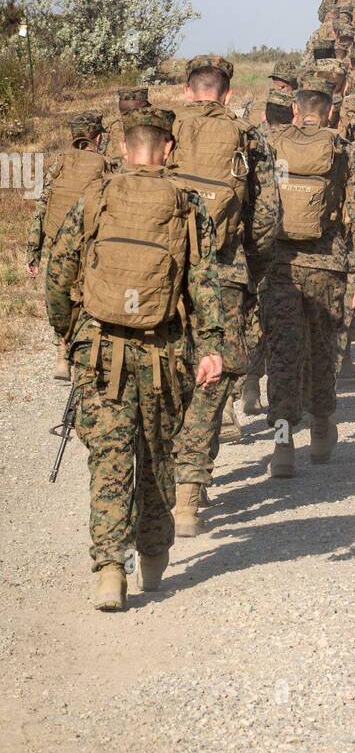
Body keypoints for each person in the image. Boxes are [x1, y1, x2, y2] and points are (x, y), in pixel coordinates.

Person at [44, 107, 224, 610]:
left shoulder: (95, 197)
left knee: (110, 455)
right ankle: (153, 552)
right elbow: (205, 283)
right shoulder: (187, 205)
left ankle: (107, 568)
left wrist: (69, 335)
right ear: (168, 149)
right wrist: (210, 347)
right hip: (162, 353)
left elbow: (59, 275)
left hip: (99, 349)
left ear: (124, 148)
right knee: (155, 455)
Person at [169, 55, 278, 535]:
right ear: (226, 94)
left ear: (188, 90)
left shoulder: (164, 130)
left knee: (169, 367)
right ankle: (189, 492)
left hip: (164, 272)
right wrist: (251, 264)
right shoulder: (247, 137)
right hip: (224, 270)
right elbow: (267, 214)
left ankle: (165, 476)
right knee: (212, 373)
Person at [264, 79, 355, 476]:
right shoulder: (345, 151)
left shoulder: (271, 144)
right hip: (328, 267)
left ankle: (282, 444)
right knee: (322, 351)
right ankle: (319, 430)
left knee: (283, 354)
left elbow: (256, 210)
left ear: (295, 111)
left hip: (279, 267)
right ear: (331, 113)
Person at [26, 112, 108, 380]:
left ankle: (62, 352)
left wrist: (33, 251)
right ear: (97, 137)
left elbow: (41, 208)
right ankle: (85, 354)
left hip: (55, 243)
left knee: (59, 297)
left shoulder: (58, 164)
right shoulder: (105, 165)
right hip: (88, 243)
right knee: (87, 298)